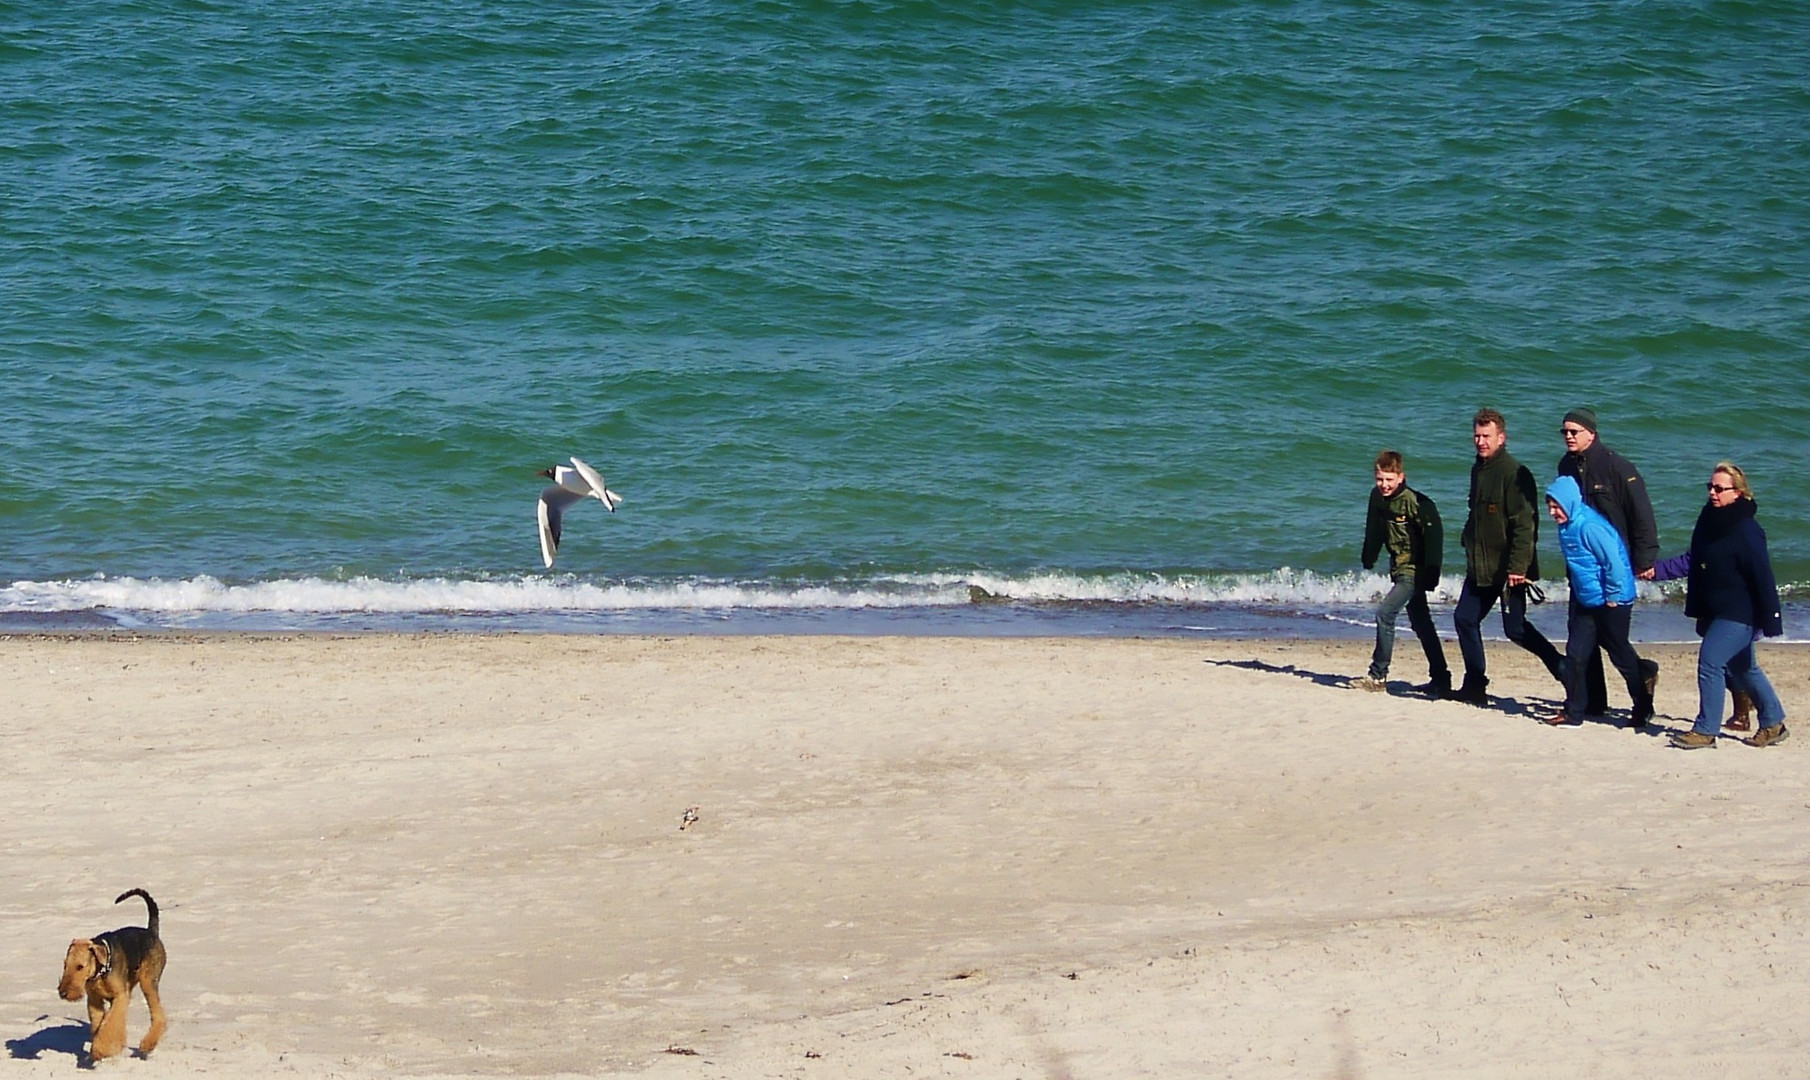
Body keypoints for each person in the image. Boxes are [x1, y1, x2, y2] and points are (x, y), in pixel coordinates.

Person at [1450, 408, 1566, 705]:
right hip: (1481, 566)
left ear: (1501, 438)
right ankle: (1475, 685)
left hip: (1509, 571)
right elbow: (1476, 513)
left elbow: (1525, 525)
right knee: (1464, 618)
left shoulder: (1514, 473)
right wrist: (1467, 537)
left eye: (1486, 436)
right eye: (1476, 435)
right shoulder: (1478, 469)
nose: (1480, 441)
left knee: (1516, 629)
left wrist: (1518, 568)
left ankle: (1567, 673)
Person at [1670, 462, 1788, 749]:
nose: (1712, 492)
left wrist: (1770, 619)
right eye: (1710, 487)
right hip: (1717, 609)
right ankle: (1773, 722)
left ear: (1738, 492)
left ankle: (1705, 730)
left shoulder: (1747, 530)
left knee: (1710, 661)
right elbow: (1693, 559)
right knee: (1745, 668)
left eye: (1719, 488)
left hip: (1741, 613)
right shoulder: (1709, 520)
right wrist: (1654, 570)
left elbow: (1762, 576)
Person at [1555, 407, 1661, 717]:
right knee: (1580, 641)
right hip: (1581, 568)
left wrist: (1645, 559)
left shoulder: (1617, 467)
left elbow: (1642, 515)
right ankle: (1593, 702)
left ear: (1592, 433)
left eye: (1574, 431)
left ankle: (1642, 678)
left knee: (1613, 642)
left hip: (1615, 566)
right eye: (1565, 432)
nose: (1569, 437)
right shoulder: (1566, 466)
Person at [1542, 477, 1655, 727]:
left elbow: (1614, 563)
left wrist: (1613, 597)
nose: (1552, 512)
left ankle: (1643, 704)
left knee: (1620, 656)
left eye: (1556, 506)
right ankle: (1574, 712)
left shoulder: (1589, 526)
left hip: (1612, 600)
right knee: (1575, 655)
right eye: (1549, 506)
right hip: (1587, 600)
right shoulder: (1566, 525)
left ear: (1569, 502)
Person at [1354, 450, 1451, 696]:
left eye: (1389, 479)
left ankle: (1378, 675)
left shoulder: (1415, 502)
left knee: (1385, 614)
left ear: (1400, 477)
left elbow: (1434, 536)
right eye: (1380, 479)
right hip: (1398, 567)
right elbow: (1374, 528)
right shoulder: (1376, 497)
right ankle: (1441, 678)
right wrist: (1369, 555)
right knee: (1421, 624)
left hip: (1414, 570)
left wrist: (1432, 573)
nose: (1384, 485)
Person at [1650, 551, 1756, 731]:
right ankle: (1747, 711)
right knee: (1738, 664)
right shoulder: (1734, 536)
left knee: (1719, 664)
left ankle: (1739, 715)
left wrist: (1653, 571)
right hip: (1736, 611)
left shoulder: (1716, 540)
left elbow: (1688, 562)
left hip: (1727, 612)